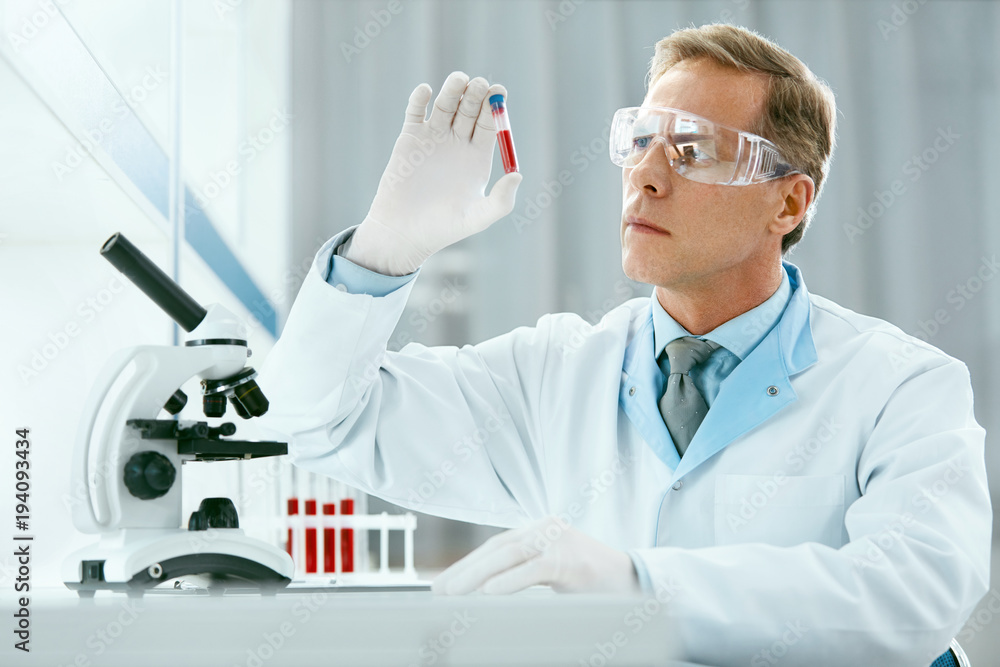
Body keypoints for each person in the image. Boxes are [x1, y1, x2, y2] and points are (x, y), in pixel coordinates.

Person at [256, 24, 991, 665]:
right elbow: (316, 421)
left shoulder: (902, 386)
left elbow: (911, 596)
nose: (645, 173)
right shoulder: (551, 375)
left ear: (788, 201)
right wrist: (383, 248)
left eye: (692, 150)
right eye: (640, 141)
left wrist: (638, 584)